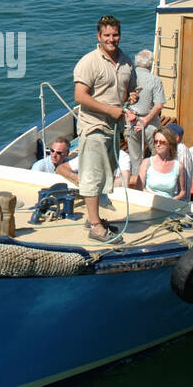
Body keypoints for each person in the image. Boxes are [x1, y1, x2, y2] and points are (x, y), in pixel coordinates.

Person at [74, 15, 139, 241]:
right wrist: (109, 110)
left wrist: (132, 95)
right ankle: (95, 226)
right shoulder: (89, 62)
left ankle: (94, 217)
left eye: (115, 35)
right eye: (107, 35)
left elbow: (132, 88)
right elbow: (80, 96)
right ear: (99, 36)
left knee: (105, 174)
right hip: (93, 126)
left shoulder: (126, 61)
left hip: (114, 128)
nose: (112, 39)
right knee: (92, 175)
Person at [126, 50, 165, 176]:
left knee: (135, 157)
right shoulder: (155, 80)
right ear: (150, 64)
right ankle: (154, 179)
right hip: (150, 122)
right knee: (157, 155)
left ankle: (136, 181)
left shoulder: (128, 77)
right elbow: (159, 105)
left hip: (130, 121)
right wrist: (146, 120)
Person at [139, 127, 188, 200]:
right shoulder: (146, 163)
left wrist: (172, 201)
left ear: (170, 144)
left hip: (168, 205)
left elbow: (182, 191)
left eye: (161, 142)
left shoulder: (178, 166)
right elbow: (139, 188)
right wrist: (157, 198)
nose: (158, 145)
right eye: (156, 142)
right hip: (149, 202)